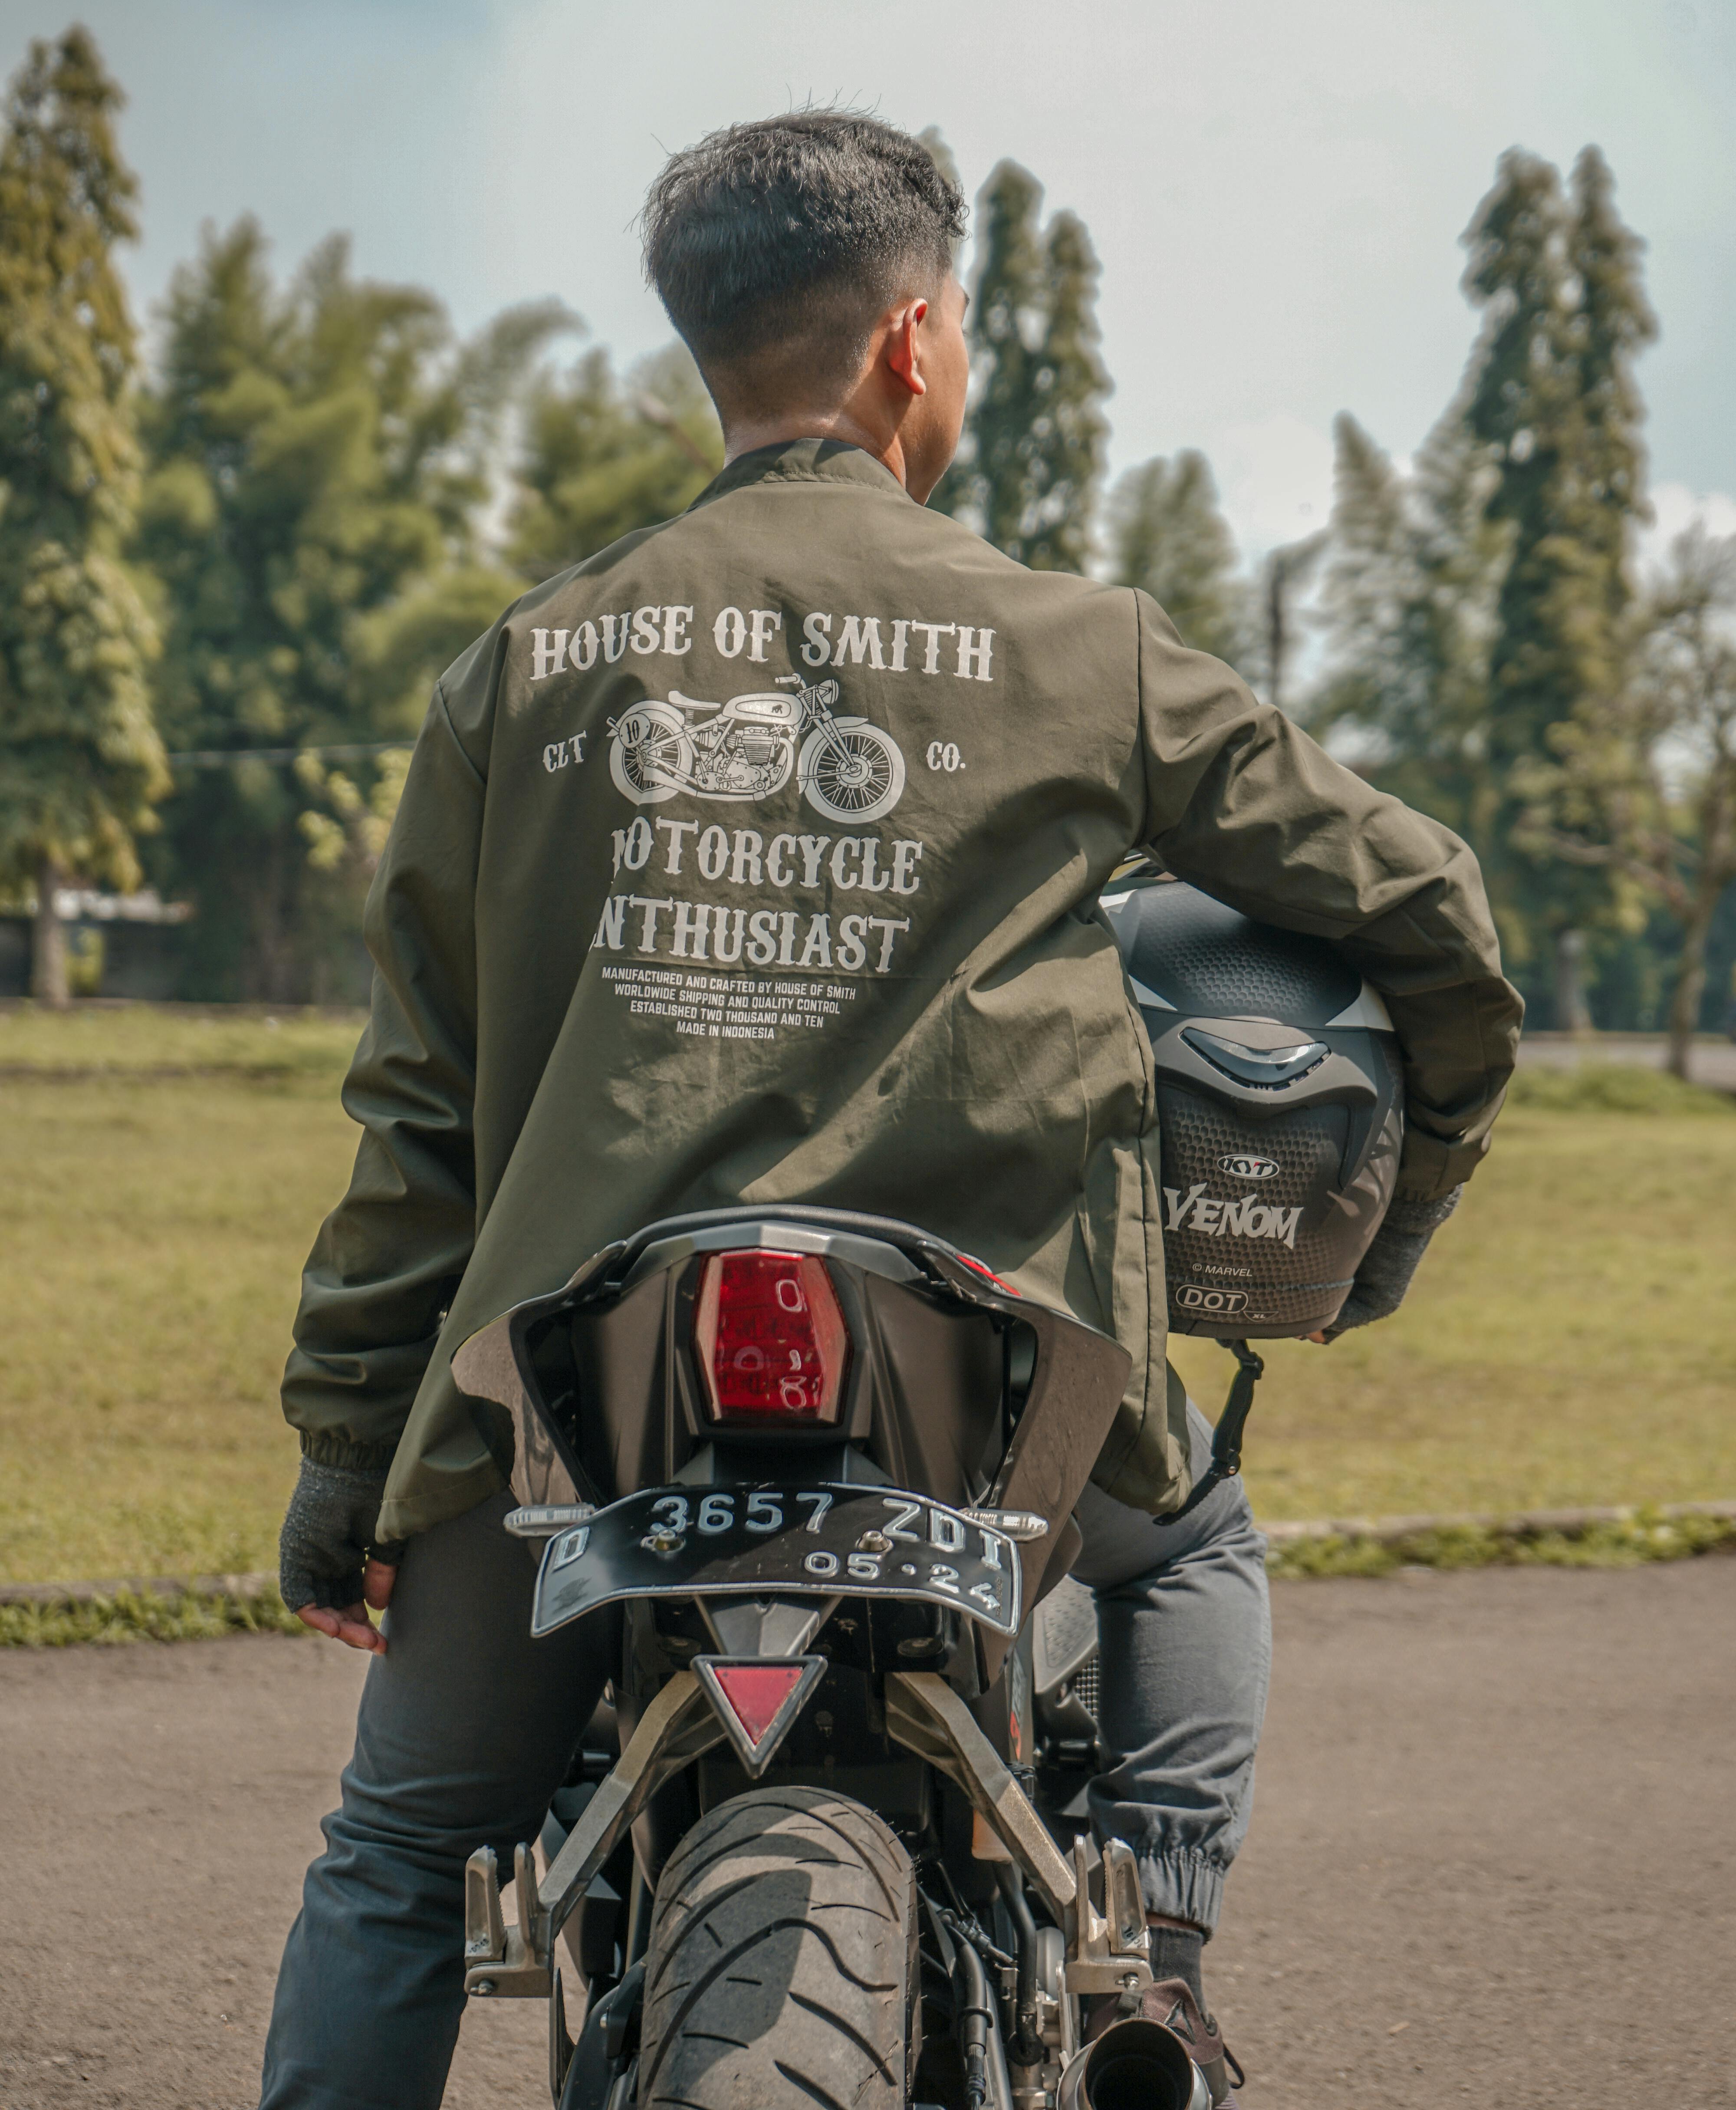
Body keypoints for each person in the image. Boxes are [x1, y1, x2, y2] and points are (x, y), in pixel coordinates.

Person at [261, 112, 1522, 2108]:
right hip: (1003, 1381)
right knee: (1188, 1547)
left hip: (573, 1387)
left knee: (407, 1857)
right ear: (914, 344)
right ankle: (1153, 1968)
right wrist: (1390, 1221)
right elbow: (1431, 920)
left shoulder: (523, 671)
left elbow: (420, 1117)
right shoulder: (1084, 653)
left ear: (711, 348)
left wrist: (349, 1462)